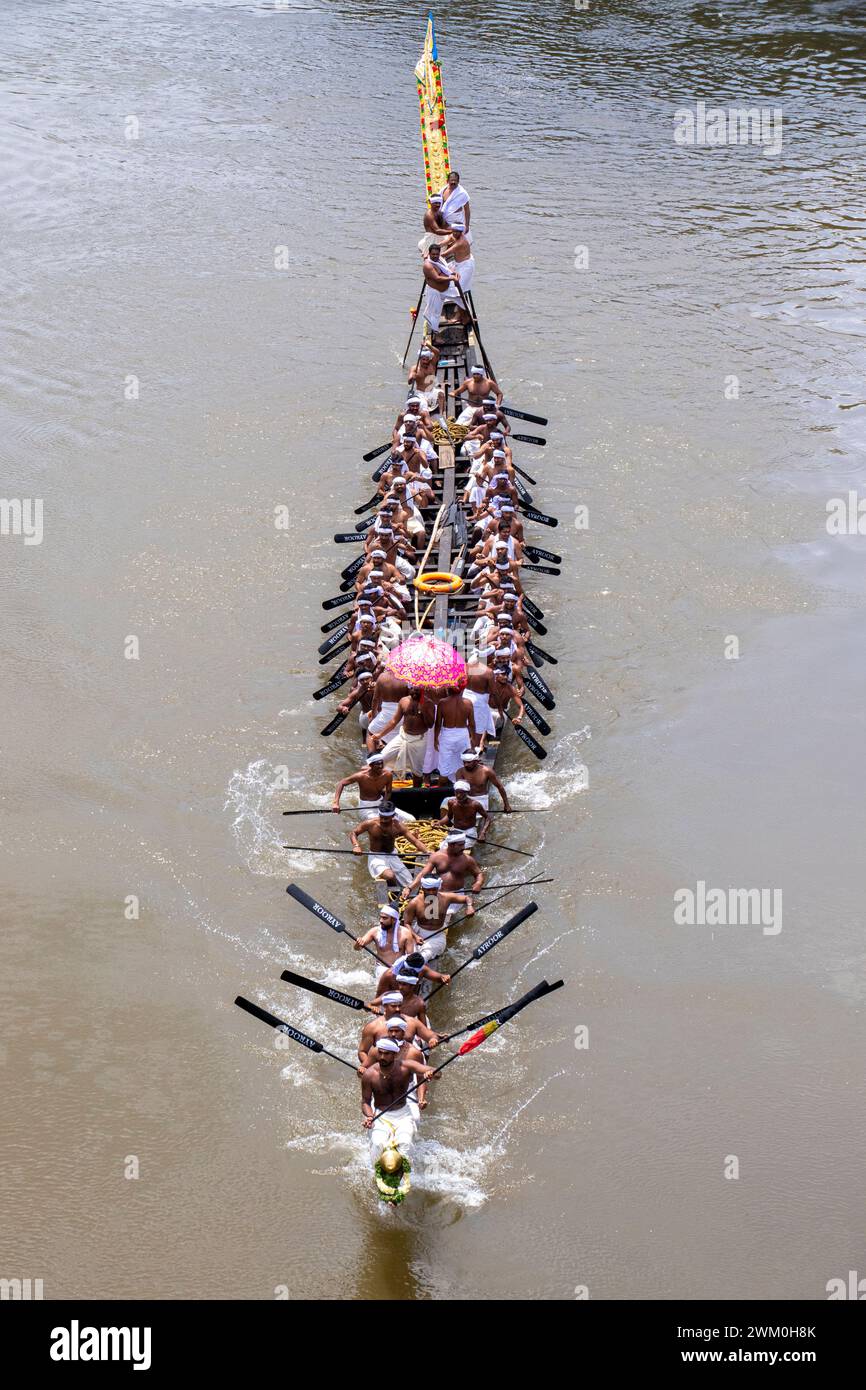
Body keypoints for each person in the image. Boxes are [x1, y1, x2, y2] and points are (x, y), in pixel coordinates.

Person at [361, 1038, 434, 1171]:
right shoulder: (369, 1074)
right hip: (380, 1116)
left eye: (387, 1053)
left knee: (405, 1144)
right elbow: (365, 1101)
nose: (382, 1057)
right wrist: (369, 1116)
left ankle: (404, 1172)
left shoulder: (407, 1066)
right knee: (378, 1144)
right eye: (380, 1053)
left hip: (403, 1114)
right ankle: (376, 1172)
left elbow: (437, 1073)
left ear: (394, 1054)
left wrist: (431, 1073)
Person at [350, 801, 430, 890]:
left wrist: (428, 852)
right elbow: (354, 833)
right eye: (382, 818)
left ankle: (401, 891)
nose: (383, 820)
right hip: (376, 857)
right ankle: (395, 892)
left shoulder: (398, 825)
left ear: (393, 816)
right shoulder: (370, 824)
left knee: (410, 883)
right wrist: (356, 845)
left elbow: (415, 841)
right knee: (390, 876)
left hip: (392, 855)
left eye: (386, 818)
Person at [373, 688, 435, 787]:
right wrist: (380, 734)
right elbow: (393, 721)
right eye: (413, 689)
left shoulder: (429, 703)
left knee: (417, 772)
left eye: (417, 690)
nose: (414, 692)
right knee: (382, 758)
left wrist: (424, 710)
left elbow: (430, 724)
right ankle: (377, 785)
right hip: (402, 737)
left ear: (423, 691)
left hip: (419, 740)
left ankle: (416, 793)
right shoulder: (404, 700)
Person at [406, 832, 485, 909]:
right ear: (451, 845)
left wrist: (478, 883)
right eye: (460, 845)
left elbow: (478, 874)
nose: (463, 848)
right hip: (439, 894)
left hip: (457, 896)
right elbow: (423, 874)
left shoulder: (468, 860)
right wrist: (409, 888)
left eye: (464, 844)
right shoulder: (436, 857)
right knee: (430, 917)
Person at [402, 874, 468, 960]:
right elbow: (406, 923)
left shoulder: (446, 897)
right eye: (428, 890)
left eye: (434, 889)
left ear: (438, 887)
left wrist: (469, 906)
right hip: (418, 933)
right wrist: (415, 936)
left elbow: (467, 898)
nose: (432, 892)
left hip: (437, 935)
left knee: (423, 957)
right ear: (423, 888)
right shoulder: (414, 903)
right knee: (408, 956)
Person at [423, 683, 477, 780]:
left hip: (447, 735)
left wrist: (435, 738)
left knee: (444, 766)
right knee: (463, 762)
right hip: (463, 734)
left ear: (448, 690)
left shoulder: (442, 702)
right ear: (461, 690)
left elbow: (438, 723)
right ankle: (462, 786)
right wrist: (473, 738)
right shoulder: (468, 703)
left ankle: (441, 789)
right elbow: (472, 723)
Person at [354, 906, 418, 982]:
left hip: (399, 969)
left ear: (394, 920)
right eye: (380, 917)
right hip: (381, 969)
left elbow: (410, 957)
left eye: (384, 918)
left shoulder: (406, 933)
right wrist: (358, 943)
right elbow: (357, 948)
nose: (381, 920)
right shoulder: (374, 931)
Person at [366, 668, 409, 753]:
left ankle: (372, 758)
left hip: (385, 715)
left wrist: (374, 715)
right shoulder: (407, 679)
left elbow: (375, 699)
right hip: (401, 715)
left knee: (370, 732)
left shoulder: (382, 677)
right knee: (396, 738)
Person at [455, 747, 511, 812]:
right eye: (464, 762)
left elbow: (500, 787)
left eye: (468, 762)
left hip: (482, 800)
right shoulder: (460, 772)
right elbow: (458, 791)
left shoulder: (486, 771)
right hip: (466, 800)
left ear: (476, 761)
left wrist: (506, 805)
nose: (466, 765)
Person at [435, 781, 490, 846]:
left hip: (469, 832)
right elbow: (449, 816)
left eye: (461, 793)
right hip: (456, 830)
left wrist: (483, 833)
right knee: (443, 847)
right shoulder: (451, 802)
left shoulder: (475, 804)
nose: (458, 795)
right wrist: (439, 823)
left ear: (467, 792)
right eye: (456, 792)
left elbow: (488, 818)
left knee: (458, 847)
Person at [422, 243, 460, 333]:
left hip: (444, 289)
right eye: (433, 254)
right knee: (435, 313)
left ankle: (466, 316)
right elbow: (437, 278)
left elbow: (447, 269)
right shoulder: (428, 265)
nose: (435, 256)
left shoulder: (440, 259)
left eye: (437, 254)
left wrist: (454, 273)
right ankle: (435, 334)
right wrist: (451, 278)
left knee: (460, 298)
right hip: (434, 291)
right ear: (429, 253)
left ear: (439, 253)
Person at [440, 170, 471, 244]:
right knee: (445, 241)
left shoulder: (462, 193)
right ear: (447, 181)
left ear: (458, 181)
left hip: (457, 220)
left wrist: (467, 225)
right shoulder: (443, 189)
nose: (453, 182)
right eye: (452, 180)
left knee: (457, 242)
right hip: (444, 221)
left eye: (455, 181)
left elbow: (467, 210)